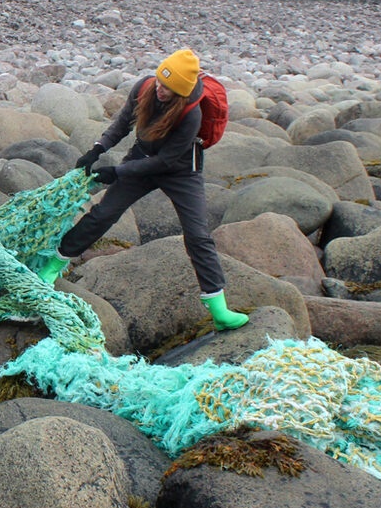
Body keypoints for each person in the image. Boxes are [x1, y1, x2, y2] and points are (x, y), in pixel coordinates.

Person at [39, 48, 249, 331]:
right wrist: (98, 149)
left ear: (182, 93)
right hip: (143, 156)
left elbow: (166, 161)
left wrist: (117, 172)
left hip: (181, 168)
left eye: (169, 88)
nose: (160, 90)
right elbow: (123, 123)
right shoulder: (146, 87)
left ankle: (219, 309)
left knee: (198, 235)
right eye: (160, 82)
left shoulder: (191, 114)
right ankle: (53, 265)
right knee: (104, 213)